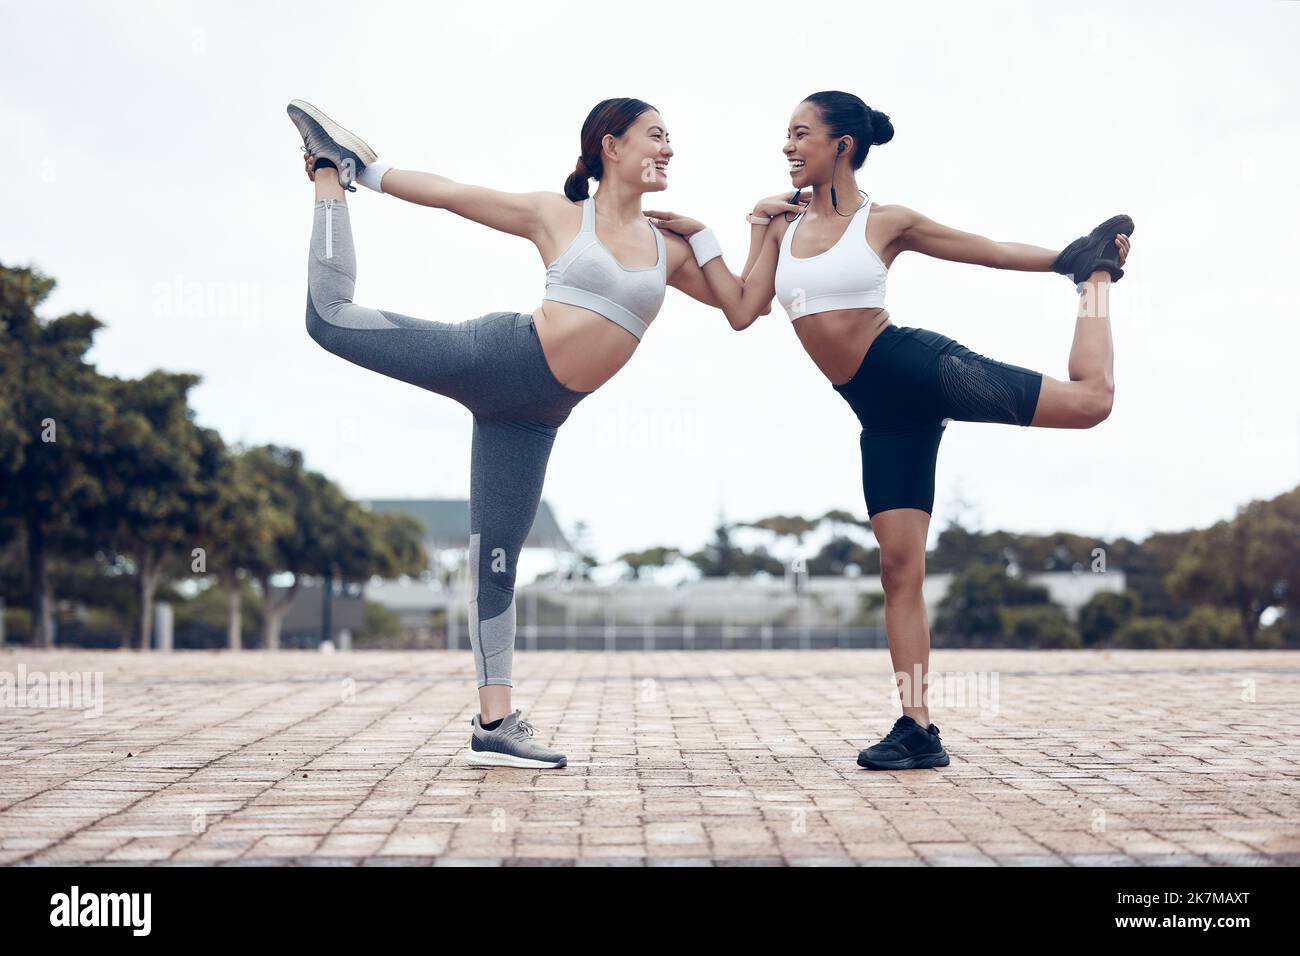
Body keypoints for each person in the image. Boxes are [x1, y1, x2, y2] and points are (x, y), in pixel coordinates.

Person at [647, 90, 1132, 771]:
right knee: (898, 567)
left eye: (800, 134)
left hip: (917, 368)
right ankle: (917, 726)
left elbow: (985, 251)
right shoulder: (783, 226)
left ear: (842, 145)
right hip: (878, 412)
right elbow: (742, 309)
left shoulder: (885, 221)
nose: (787, 147)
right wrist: (725, 233)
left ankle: (1099, 279)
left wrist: (1071, 258)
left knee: (1090, 403)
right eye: (786, 137)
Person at [286, 97, 759, 768]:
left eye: (671, 138)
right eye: (656, 135)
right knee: (330, 319)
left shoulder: (672, 248)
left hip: (534, 418)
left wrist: (722, 234)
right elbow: (454, 197)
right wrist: (366, 171)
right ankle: (329, 174)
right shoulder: (558, 214)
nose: (669, 149)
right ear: (611, 145)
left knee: (497, 566)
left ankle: (494, 726)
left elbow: (743, 307)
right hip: (499, 356)